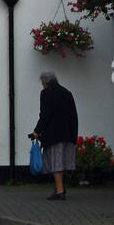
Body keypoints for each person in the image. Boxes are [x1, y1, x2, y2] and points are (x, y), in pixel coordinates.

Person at [30, 71, 78, 200]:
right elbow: (73, 114)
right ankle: (60, 187)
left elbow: (45, 114)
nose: (42, 85)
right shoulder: (66, 92)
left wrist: (36, 131)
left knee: (55, 162)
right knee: (62, 161)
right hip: (68, 133)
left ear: (45, 82)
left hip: (54, 134)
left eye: (42, 83)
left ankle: (60, 191)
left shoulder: (46, 93)